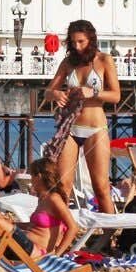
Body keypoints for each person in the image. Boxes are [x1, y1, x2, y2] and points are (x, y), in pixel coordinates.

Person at [44, 19, 120, 212]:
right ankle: (63, 230)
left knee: (101, 188)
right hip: (70, 129)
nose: (77, 47)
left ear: (91, 39)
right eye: (73, 42)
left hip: (96, 129)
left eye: (81, 42)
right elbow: (48, 92)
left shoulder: (104, 60)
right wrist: (56, 94)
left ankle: (110, 231)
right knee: (63, 186)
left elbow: (116, 96)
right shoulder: (68, 63)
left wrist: (92, 92)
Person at [19, 157, 78, 256]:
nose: (31, 180)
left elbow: (73, 228)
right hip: (25, 245)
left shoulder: (54, 198)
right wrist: (13, 224)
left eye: (32, 176)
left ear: (39, 177)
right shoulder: (43, 198)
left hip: (36, 251)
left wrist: (57, 254)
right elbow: (35, 226)